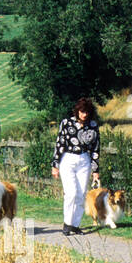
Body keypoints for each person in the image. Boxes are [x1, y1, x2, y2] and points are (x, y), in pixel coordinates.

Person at [53, 97, 102, 236]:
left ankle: (75, 225)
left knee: (81, 195)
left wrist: (95, 170)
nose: (84, 114)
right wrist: (55, 165)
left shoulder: (93, 126)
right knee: (71, 193)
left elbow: (96, 149)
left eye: (86, 112)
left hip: (84, 160)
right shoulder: (66, 123)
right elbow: (60, 144)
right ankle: (67, 223)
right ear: (77, 111)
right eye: (82, 111)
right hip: (68, 159)